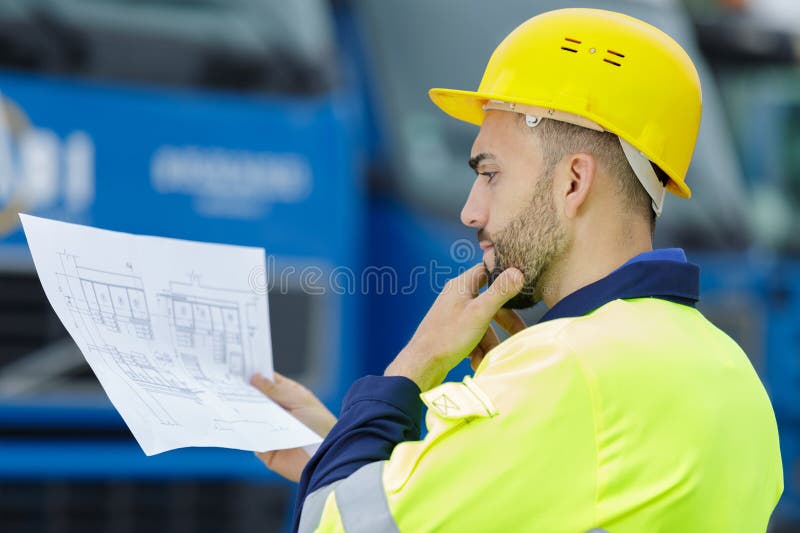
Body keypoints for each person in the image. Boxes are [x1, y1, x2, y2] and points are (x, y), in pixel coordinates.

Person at [251, 8, 783, 532]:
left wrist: (417, 362)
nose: (471, 211)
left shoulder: (564, 371)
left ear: (573, 181)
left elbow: (337, 524)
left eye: (490, 173)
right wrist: (335, 451)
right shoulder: (733, 376)